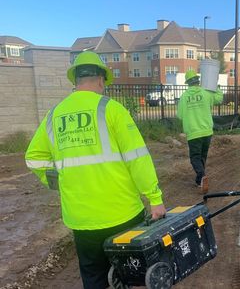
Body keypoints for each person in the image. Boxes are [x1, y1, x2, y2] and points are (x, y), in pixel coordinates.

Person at [25, 51, 166, 289]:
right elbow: (137, 158)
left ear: (76, 80)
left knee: (94, 278)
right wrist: (155, 198)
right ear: (101, 79)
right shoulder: (111, 109)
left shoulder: (53, 116)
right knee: (132, 274)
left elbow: (34, 158)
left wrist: (61, 182)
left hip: (81, 218)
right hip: (122, 213)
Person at [177, 70, 223, 194]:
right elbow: (219, 99)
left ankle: (202, 176)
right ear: (197, 81)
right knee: (202, 156)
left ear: (187, 83)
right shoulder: (206, 93)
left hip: (193, 132)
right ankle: (199, 180)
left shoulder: (184, 97)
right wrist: (216, 86)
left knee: (194, 158)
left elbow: (180, 115)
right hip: (207, 131)